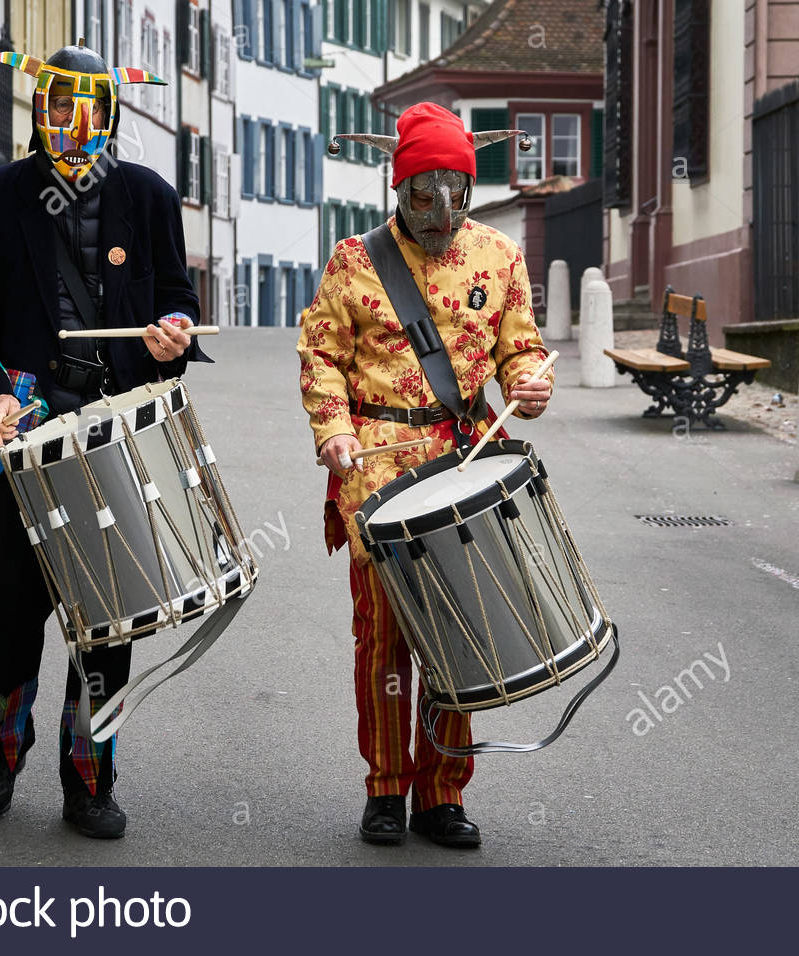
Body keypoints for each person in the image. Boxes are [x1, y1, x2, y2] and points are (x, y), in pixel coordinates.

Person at [0, 40, 208, 839]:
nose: (74, 123)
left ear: (112, 114)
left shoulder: (152, 198)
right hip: (27, 430)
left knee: (111, 616)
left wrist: (174, 334)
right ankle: (1, 748)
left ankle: (90, 777)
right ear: (39, 109)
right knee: (13, 607)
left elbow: (176, 300)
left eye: (89, 109)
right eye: (59, 107)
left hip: (116, 432)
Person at [295, 103, 554, 848]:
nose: (441, 212)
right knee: (381, 639)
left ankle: (441, 791)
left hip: (462, 463)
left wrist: (530, 385)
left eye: (456, 193)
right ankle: (384, 787)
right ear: (398, 189)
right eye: (423, 195)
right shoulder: (353, 260)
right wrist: (335, 432)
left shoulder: (499, 257)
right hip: (374, 472)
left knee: (459, 631)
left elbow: (520, 351)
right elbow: (322, 358)